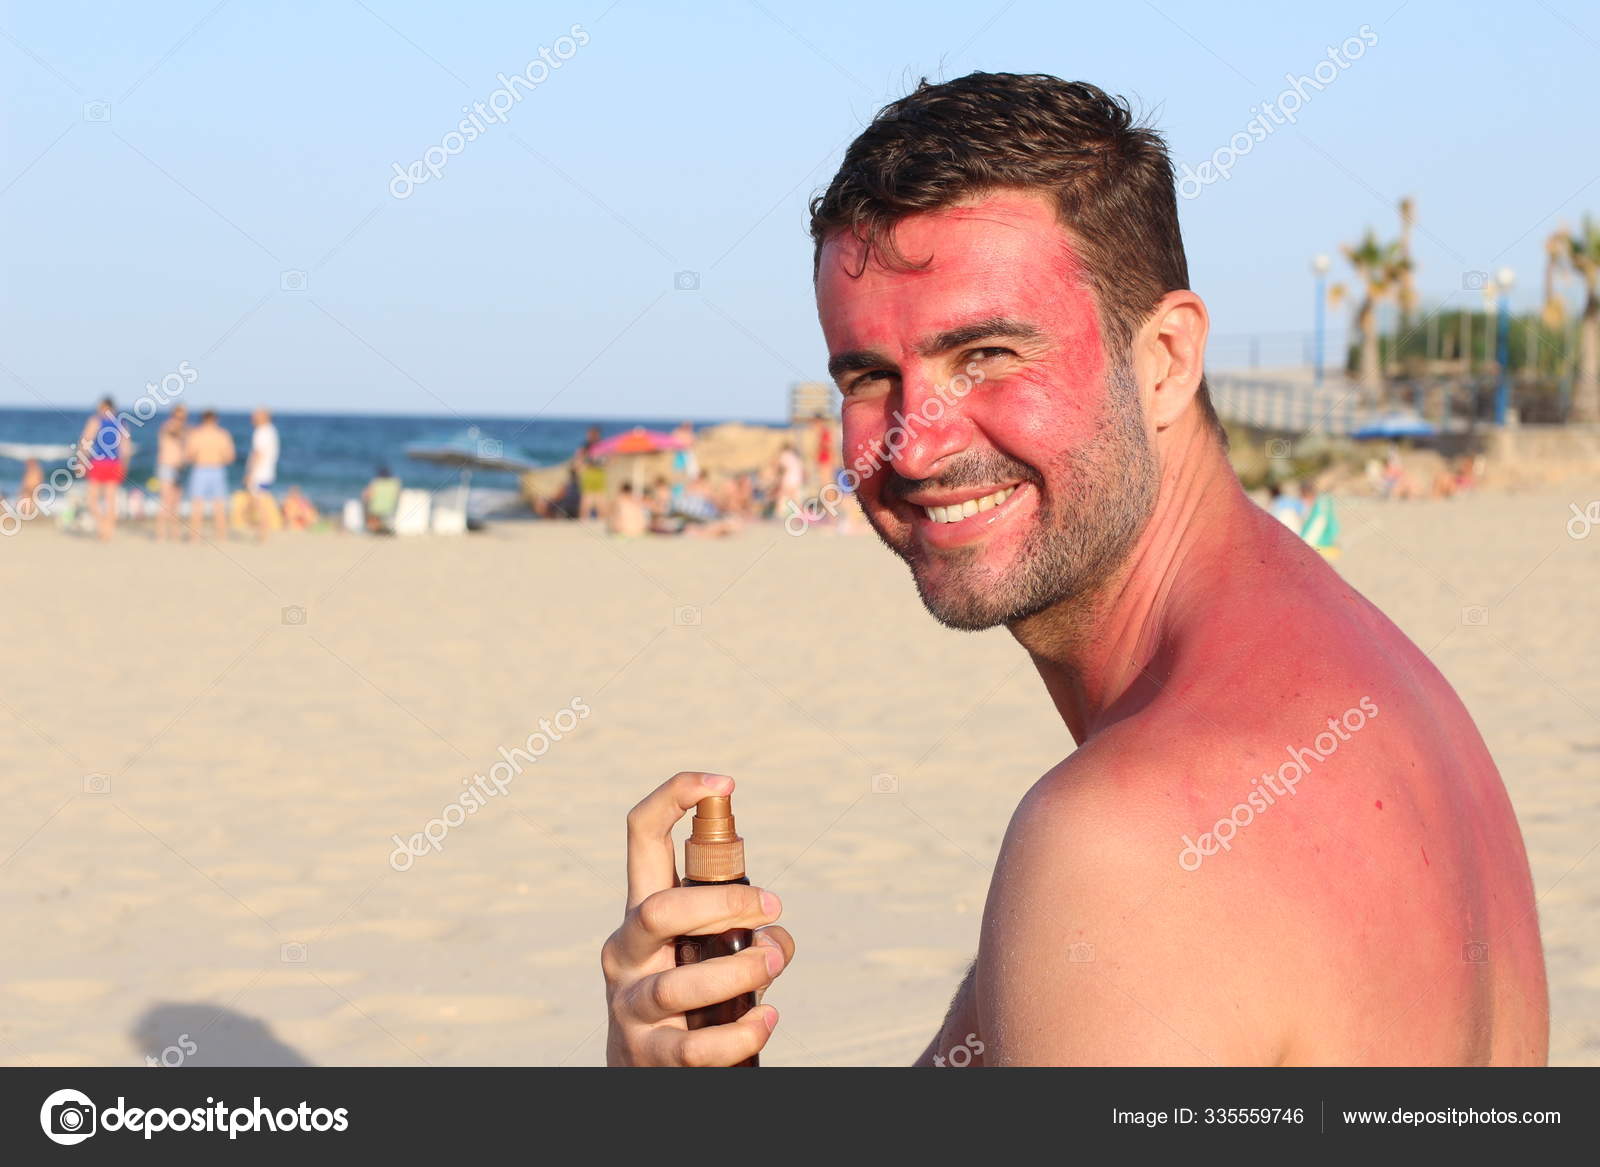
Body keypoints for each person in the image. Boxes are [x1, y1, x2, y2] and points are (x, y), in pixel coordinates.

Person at [601, 74, 1547, 1068]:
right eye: (870, 377)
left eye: (987, 354)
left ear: (1167, 359)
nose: (914, 447)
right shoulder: (1401, 702)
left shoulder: (1122, 846)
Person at [78, 397, 129, 541]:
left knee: (93, 500)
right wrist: (124, 464)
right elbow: (125, 448)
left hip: (99, 463)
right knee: (110, 500)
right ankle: (108, 530)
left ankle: (103, 527)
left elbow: (86, 441)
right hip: (114, 463)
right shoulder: (121, 423)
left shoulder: (96, 421)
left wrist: (81, 460)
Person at [184, 409, 236, 541]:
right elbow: (230, 457)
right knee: (219, 505)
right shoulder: (222, 434)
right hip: (217, 469)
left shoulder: (196, 434)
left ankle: (195, 537)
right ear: (216, 420)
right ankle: (221, 536)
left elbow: (189, 455)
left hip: (200, 469)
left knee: (197, 505)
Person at [155, 405, 189, 541]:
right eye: (179, 416)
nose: (181, 419)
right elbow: (175, 432)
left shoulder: (184, 430)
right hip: (167, 467)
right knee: (165, 502)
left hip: (179, 469)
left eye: (183, 417)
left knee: (175, 503)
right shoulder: (168, 427)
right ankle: (161, 534)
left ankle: (175, 534)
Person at [245, 408, 280, 541]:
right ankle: (262, 529)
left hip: (260, 473)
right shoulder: (271, 430)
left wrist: (250, 473)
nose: (252, 417)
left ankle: (262, 531)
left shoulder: (261, 431)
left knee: (259, 502)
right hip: (267, 472)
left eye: (255, 415)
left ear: (263, 417)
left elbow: (258, 454)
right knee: (262, 501)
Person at [1299, 479, 1340, 557]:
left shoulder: (1320, 505)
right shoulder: (1323, 502)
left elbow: (1318, 525)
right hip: (1325, 546)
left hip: (1320, 548)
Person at [576, 426, 607, 521]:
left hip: (593, 473)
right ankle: (598, 520)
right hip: (595, 473)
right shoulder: (597, 445)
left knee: (592, 499)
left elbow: (579, 459)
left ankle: (585, 519)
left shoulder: (588, 446)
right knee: (595, 499)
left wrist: (580, 467)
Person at [362, 465, 402, 532]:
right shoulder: (395, 483)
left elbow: (366, 495)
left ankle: (372, 526)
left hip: (375, 508)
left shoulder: (376, 482)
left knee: (365, 504)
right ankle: (381, 526)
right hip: (390, 508)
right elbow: (398, 495)